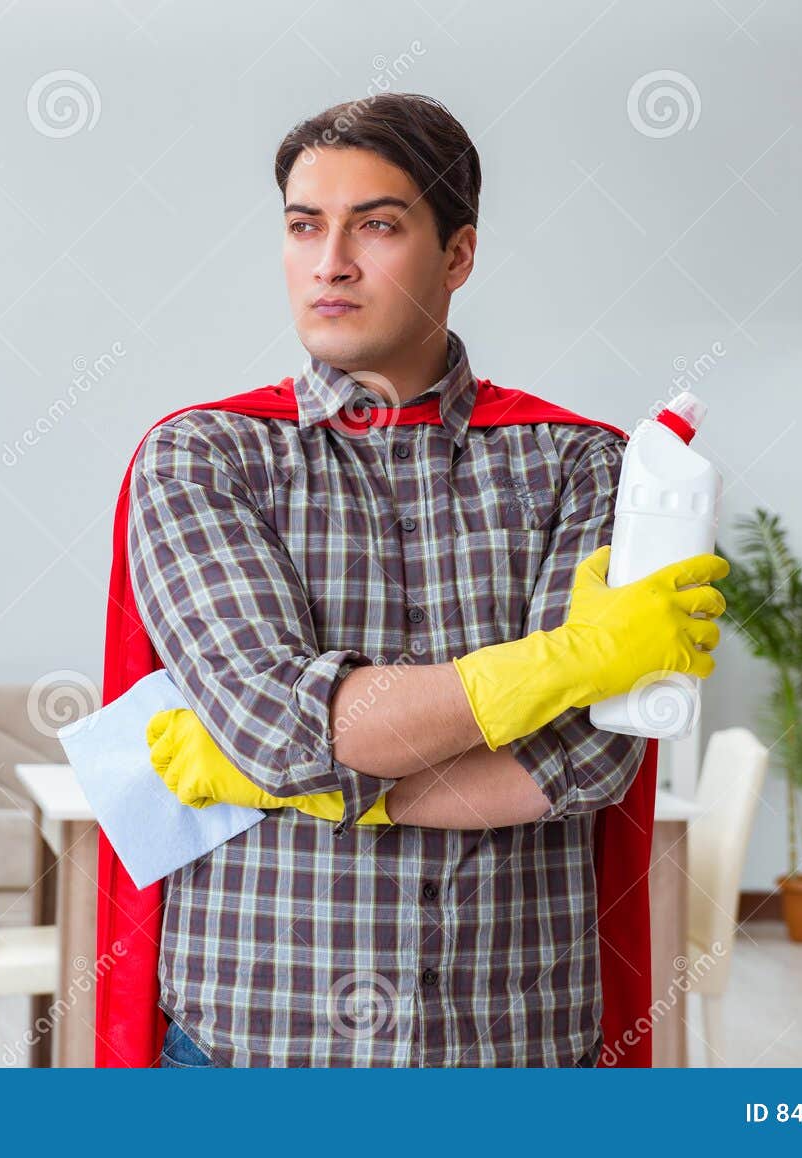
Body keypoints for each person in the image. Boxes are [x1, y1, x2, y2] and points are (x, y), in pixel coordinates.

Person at [106, 92, 727, 1068]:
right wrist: (571, 659)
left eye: (377, 225)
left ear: (458, 254)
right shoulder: (201, 458)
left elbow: (586, 761)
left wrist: (304, 778)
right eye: (305, 226)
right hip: (255, 1037)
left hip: (507, 1034)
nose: (330, 262)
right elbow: (278, 726)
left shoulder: (581, 466)